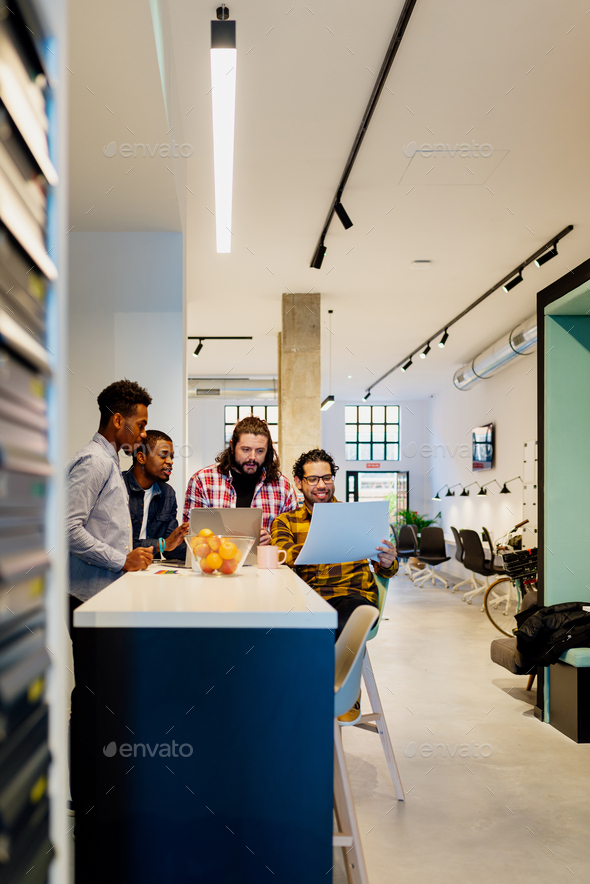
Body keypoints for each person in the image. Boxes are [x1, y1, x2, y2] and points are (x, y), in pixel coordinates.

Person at [66, 379, 154, 810]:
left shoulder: (107, 459)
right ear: (116, 420)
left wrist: (130, 554)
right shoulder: (93, 462)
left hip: (101, 597)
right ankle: (85, 793)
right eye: (138, 425)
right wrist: (121, 560)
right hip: (86, 598)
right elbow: (67, 529)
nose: (142, 435)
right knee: (90, 696)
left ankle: (95, 785)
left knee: (100, 694)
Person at [271, 448, 397, 723]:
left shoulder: (356, 516)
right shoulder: (286, 521)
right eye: (313, 479)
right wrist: (322, 543)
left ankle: (342, 694)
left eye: (327, 478)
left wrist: (388, 560)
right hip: (306, 598)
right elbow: (282, 554)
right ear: (299, 481)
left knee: (345, 615)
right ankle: (298, 697)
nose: (321, 485)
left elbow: (384, 565)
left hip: (351, 595)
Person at [183, 415, 298, 544]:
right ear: (232, 446)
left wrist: (271, 541)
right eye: (245, 450)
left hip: (265, 563)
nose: (252, 457)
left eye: (260, 451)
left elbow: (293, 540)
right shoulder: (203, 481)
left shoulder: (283, 487)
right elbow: (190, 537)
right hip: (215, 562)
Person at [123, 429, 188, 560]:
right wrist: (162, 544)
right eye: (163, 455)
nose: (170, 461)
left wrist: (202, 546)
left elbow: (170, 548)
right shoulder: (118, 487)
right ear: (142, 458)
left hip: (151, 572)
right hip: (119, 572)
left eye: (171, 457)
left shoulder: (167, 494)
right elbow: (121, 546)